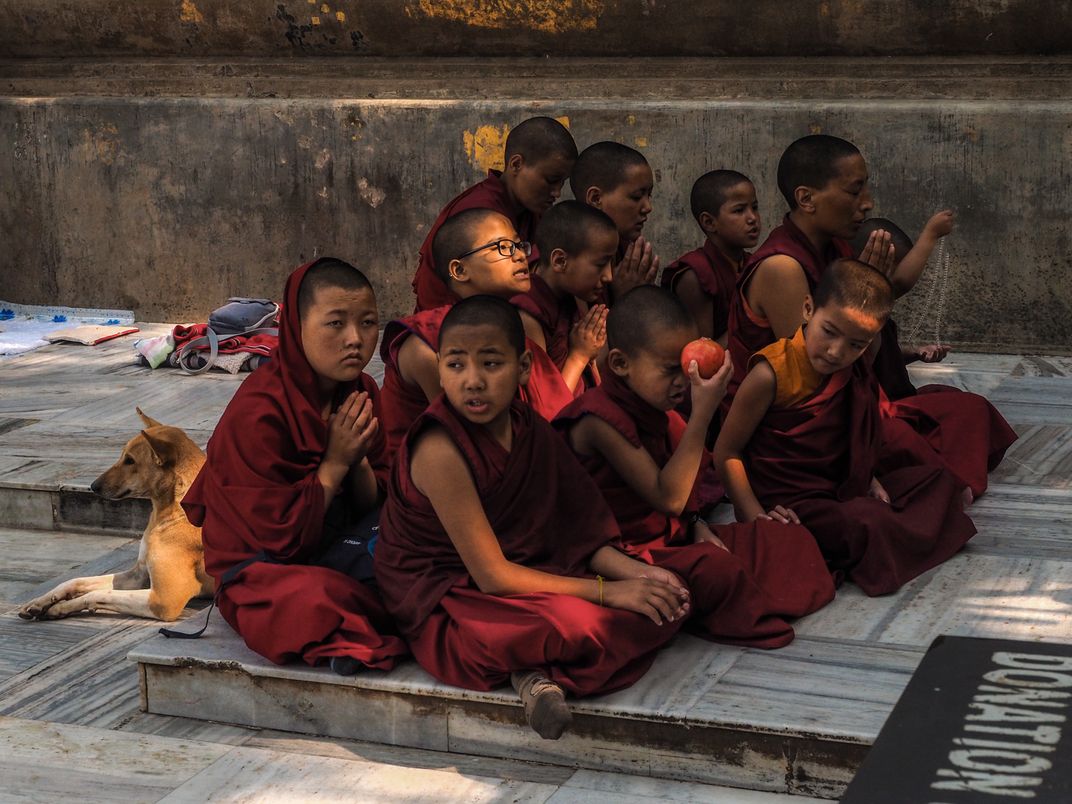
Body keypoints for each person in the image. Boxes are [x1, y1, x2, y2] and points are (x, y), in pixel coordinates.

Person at [376, 296, 690, 740]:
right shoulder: (439, 448)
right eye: (455, 365)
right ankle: (527, 671)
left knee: (665, 598)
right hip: (443, 591)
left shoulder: (530, 429)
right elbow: (492, 576)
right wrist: (608, 592)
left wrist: (640, 575)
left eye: (490, 363)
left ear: (523, 367)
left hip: (529, 568)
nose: (473, 381)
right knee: (582, 624)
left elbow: (579, 531)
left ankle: (529, 672)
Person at [555, 287, 835, 647]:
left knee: (786, 537)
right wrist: (703, 413)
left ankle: (742, 596)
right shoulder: (598, 419)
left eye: (687, 366)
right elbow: (669, 497)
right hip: (619, 555)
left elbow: (684, 508)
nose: (684, 381)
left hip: (670, 538)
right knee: (717, 571)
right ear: (621, 364)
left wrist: (698, 525)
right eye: (670, 370)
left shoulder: (658, 410)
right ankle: (736, 600)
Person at [182, 258, 408, 674]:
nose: (355, 340)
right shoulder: (261, 411)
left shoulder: (362, 392)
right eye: (335, 324)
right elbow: (279, 543)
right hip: (261, 570)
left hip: (337, 544)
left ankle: (361, 623)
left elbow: (374, 502)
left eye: (369, 323)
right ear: (296, 327)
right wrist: (335, 461)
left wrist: (355, 461)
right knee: (313, 599)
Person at [715, 259, 977, 596]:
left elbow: (860, 433)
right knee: (868, 522)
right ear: (808, 308)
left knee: (938, 480)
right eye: (829, 332)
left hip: (841, 488)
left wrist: (870, 478)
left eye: (856, 344)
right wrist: (756, 516)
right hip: (788, 504)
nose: (837, 352)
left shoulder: (854, 369)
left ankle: (862, 538)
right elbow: (726, 452)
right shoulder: (770, 374)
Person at [381, 208, 575, 457]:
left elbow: (548, 411)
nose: (519, 257)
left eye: (519, 246)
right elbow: (471, 442)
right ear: (460, 271)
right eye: (503, 248)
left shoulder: (510, 331)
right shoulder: (428, 344)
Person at [411, 117, 577, 312]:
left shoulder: (530, 211)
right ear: (516, 164)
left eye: (562, 183)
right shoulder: (478, 213)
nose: (557, 192)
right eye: (551, 180)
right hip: (455, 322)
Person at [512, 200, 616, 393]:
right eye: (601, 264)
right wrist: (579, 356)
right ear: (560, 261)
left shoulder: (574, 295)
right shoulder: (529, 315)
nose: (609, 276)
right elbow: (546, 406)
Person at [662, 170, 762, 346]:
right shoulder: (696, 274)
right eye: (739, 210)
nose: (752, 218)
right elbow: (703, 354)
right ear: (709, 222)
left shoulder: (753, 265)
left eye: (754, 207)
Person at [570, 141, 660, 302]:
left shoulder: (625, 253)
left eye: (649, 195)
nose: (648, 207)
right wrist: (624, 298)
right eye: (636, 197)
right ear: (595, 198)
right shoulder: (571, 264)